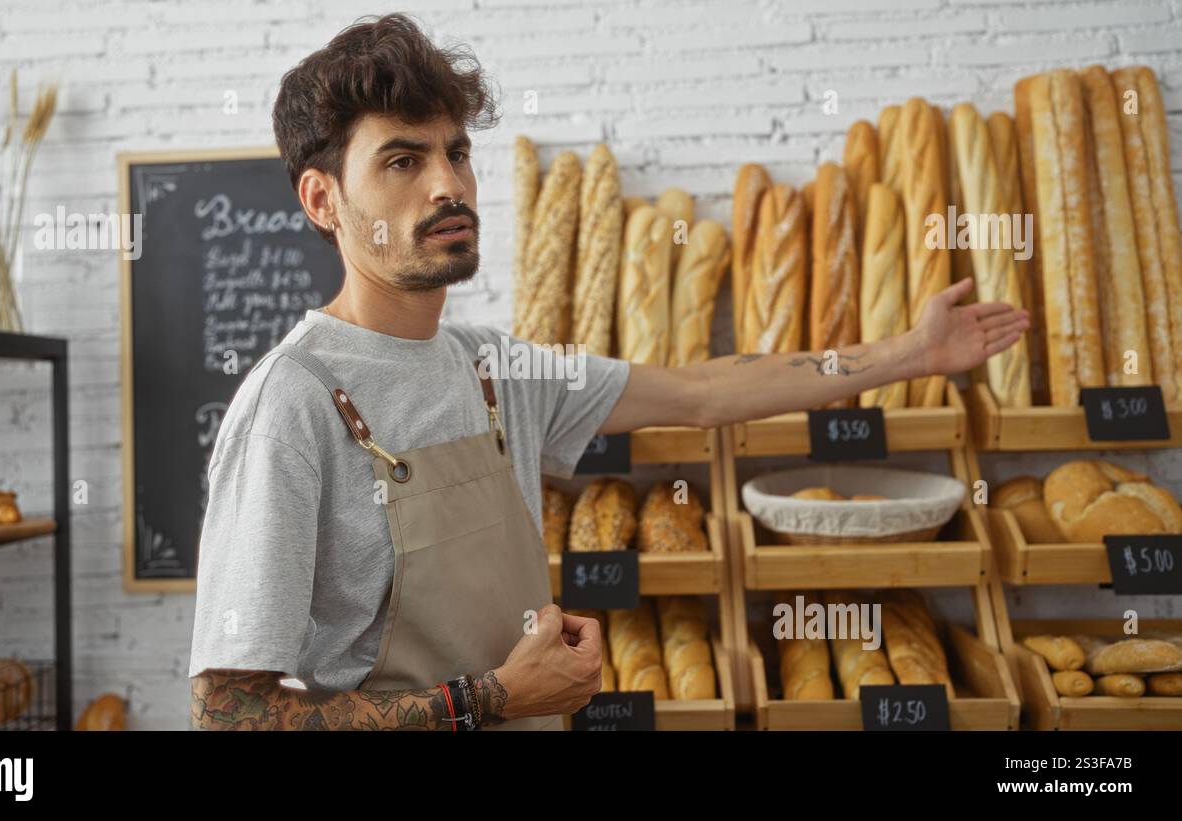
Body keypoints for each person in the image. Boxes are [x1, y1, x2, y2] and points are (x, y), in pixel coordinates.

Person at [187, 14, 1029, 730]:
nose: (449, 184)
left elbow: (705, 391)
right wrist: (494, 696)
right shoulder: (292, 402)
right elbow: (230, 713)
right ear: (322, 200)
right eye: (403, 161)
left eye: (457, 152)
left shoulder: (493, 364)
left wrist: (910, 354)